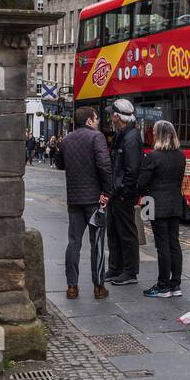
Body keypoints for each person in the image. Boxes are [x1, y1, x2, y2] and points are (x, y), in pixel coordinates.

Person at [55, 106, 112, 299]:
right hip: (95, 200)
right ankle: (98, 287)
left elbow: (59, 164)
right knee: (96, 243)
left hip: (74, 199)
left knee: (73, 243)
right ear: (89, 121)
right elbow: (104, 165)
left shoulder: (66, 140)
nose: (97, 121)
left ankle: (72, 287)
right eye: (96, 118)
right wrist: (107, 192)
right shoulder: (97, 137)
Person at [136, 119, 186, 298]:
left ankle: (163, 285)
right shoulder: (180, 155)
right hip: (175, 203)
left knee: (162, 245)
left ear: (161, 135)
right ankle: (176, 284)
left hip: (156, 204)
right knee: (174, 244)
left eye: (155, 132)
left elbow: (142, 183)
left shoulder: (153, 156)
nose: (153, 134)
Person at [106, 99, 143, 286]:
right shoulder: (123, 134)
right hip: (116, 193)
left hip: (122, 195)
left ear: (117, 116)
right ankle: (115, 268)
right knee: (113, 232)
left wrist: (124, 193)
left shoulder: (131, 138)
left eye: (111, 114)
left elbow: (132, 170)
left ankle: (129, 271)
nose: (110, 117)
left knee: (126, 233)